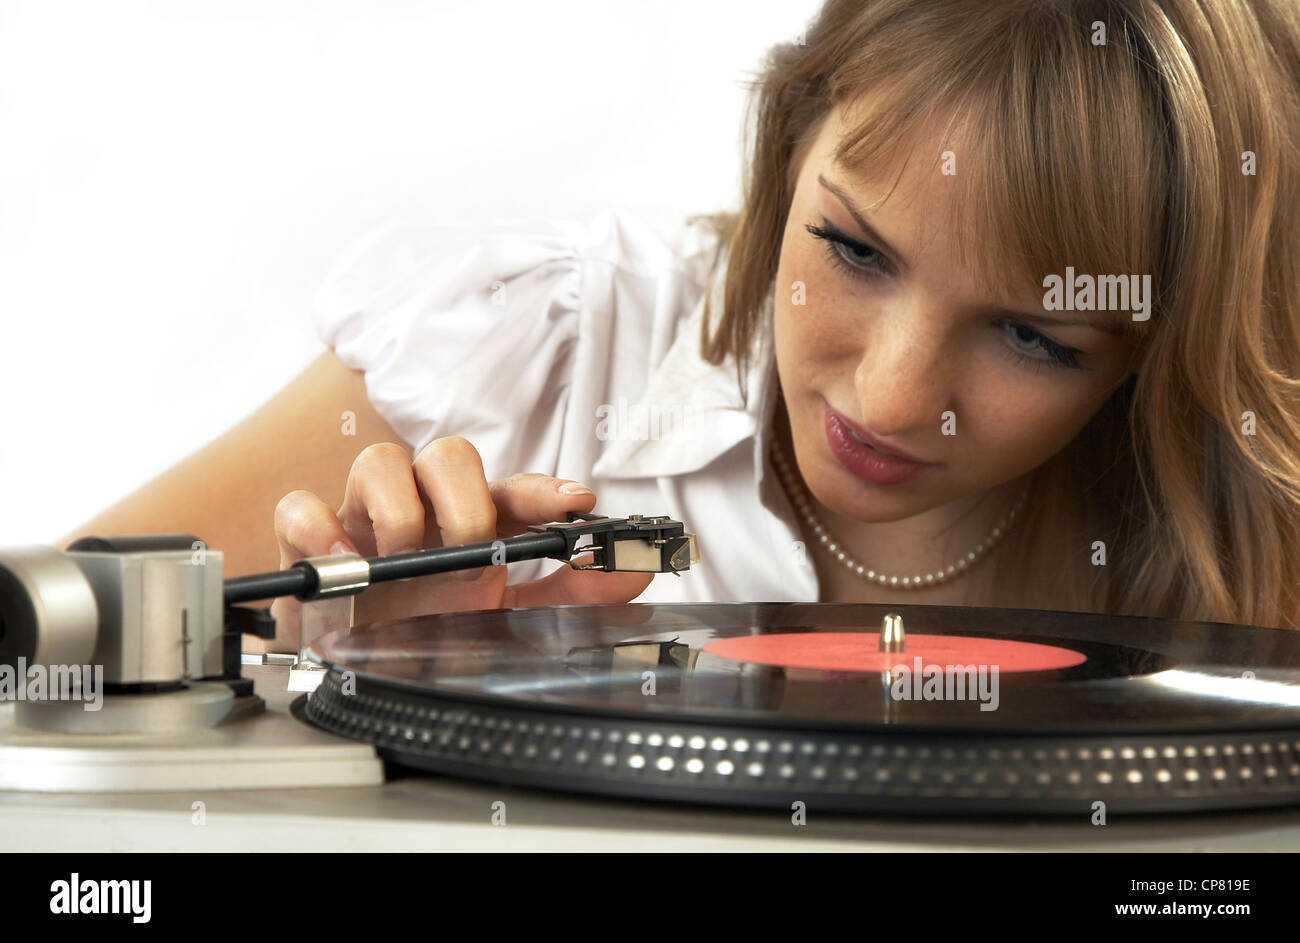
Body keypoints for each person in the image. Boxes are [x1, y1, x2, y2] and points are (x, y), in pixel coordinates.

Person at [62, 0, 1300, 652]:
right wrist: (347, 695)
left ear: (1166, 352)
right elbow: (38, 657)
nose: (883, 395)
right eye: (853, 251)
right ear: (785, 140)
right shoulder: (530, 338)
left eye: (1036, 337)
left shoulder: (1243, 512)